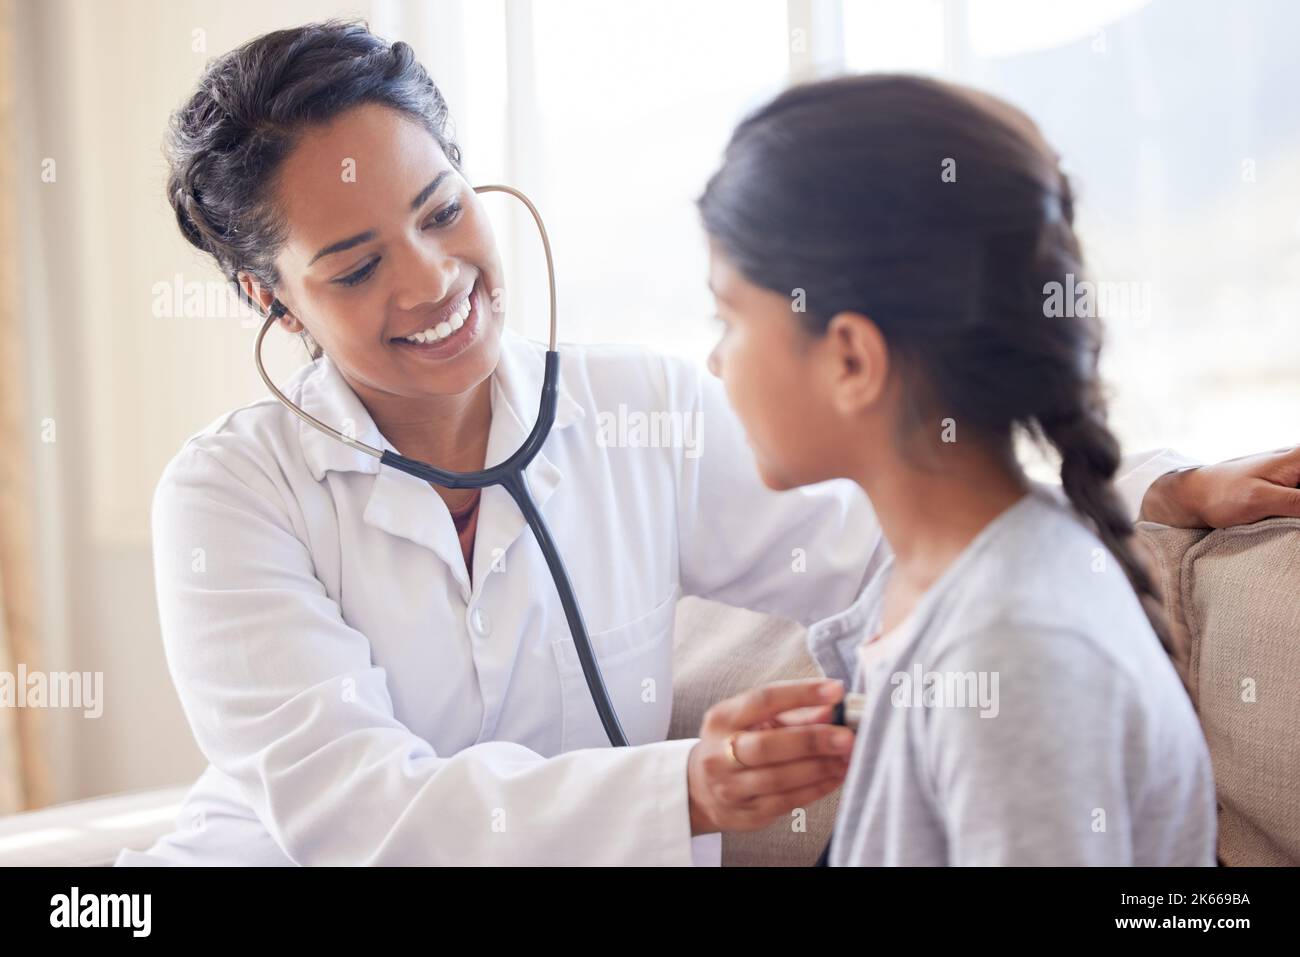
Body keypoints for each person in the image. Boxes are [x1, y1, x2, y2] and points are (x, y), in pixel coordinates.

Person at [121, 21, 1295, 866]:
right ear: (268, 297)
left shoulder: (642, 411)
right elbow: (358, 819)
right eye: (357, 265)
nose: (435, 280)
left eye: (441, 211)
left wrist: (1139, 484)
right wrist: (682, 784)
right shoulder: (230, 496)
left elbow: (908, 524)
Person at [694, 74, 1279, 864]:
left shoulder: (1015, 651)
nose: (714, 360)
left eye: (728, 317)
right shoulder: (940, 582)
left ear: (851, 359)